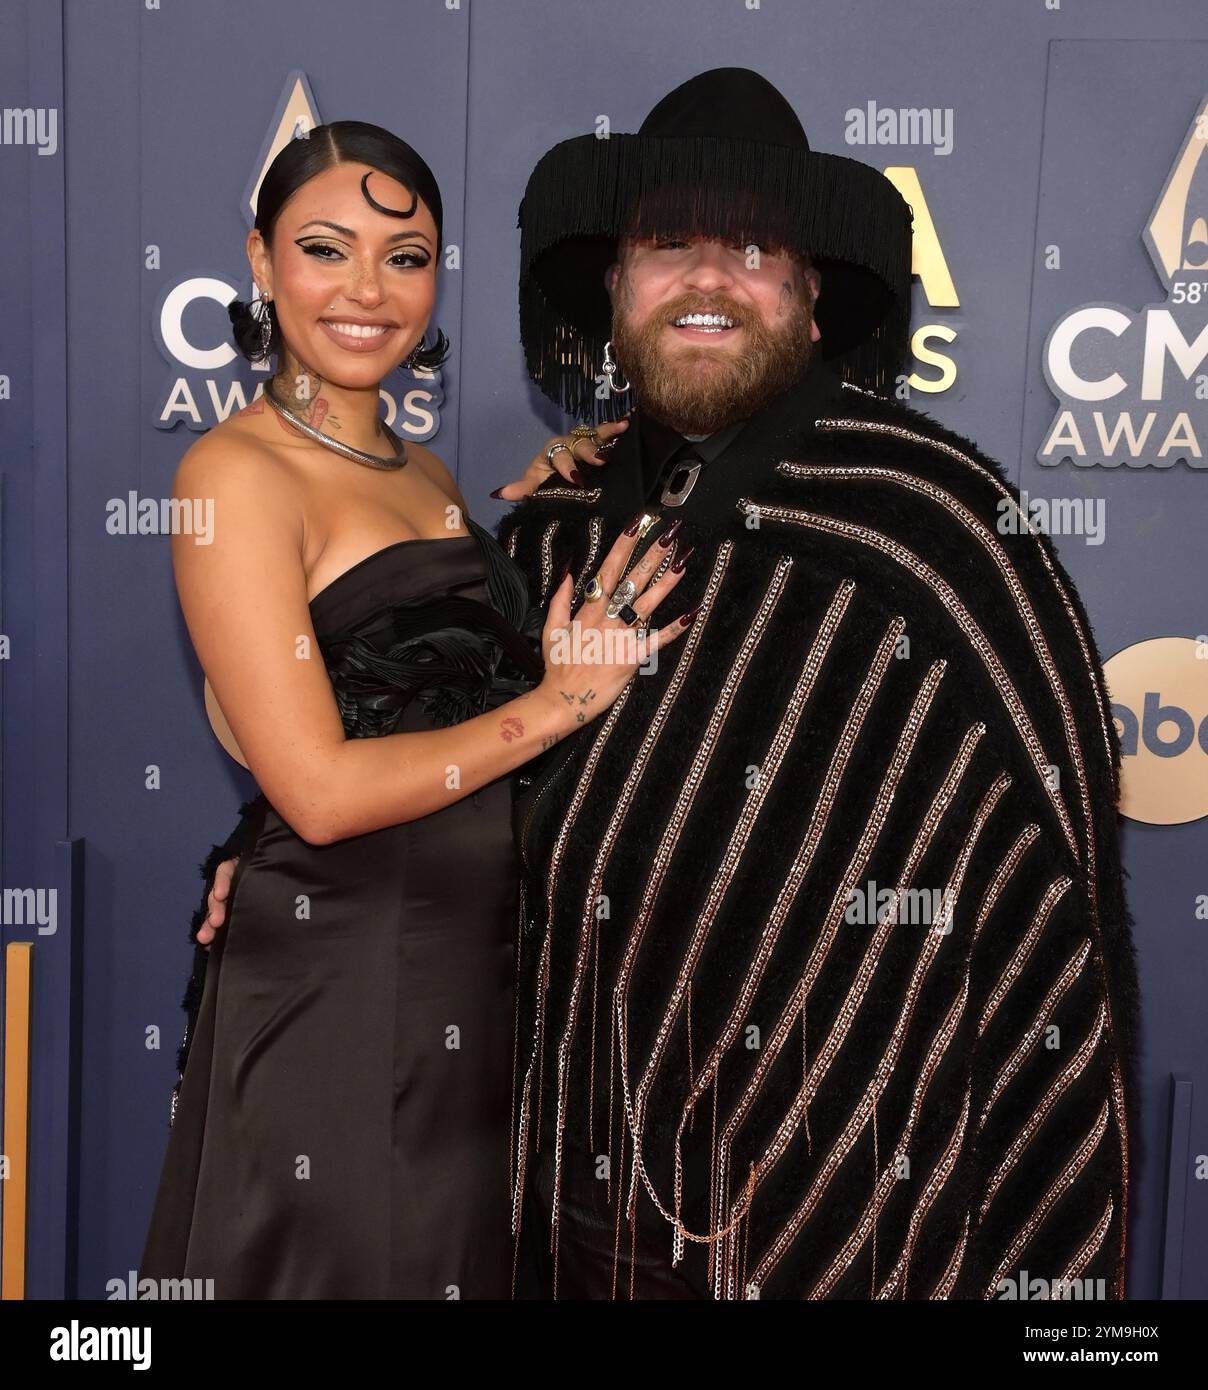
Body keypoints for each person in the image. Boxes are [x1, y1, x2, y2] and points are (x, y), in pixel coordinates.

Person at [201, 70, 1142, 1302]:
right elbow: (409, 732)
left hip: (834, 1188)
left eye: (751, 250)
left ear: (809, 299)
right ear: (615, 290)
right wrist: (277, 849)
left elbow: (1047, 905)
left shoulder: (941, 525)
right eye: (666, 248)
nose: (706, 281)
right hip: (533, 1172)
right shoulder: (550, 523)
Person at [138, 119, 693, 1300]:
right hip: (343, 977)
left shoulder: (426, 472)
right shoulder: (228, 477)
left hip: (469, 979)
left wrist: (561, 500)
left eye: (405, 255)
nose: (366, 291)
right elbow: (324, 792)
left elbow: (400, 689)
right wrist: (553, 708)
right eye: (325, 249)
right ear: (258, 258)